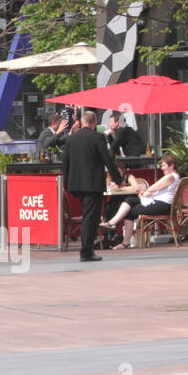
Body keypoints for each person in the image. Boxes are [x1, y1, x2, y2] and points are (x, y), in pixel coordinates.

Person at [62, 111, 124, 262]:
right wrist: (117, 178)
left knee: (87, 214)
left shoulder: (71, 139)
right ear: (94, 123)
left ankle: (87, 249)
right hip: (93, 183)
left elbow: (65, 162)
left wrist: (68, 182)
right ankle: (86, 251)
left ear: (82, 122)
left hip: (76, 184)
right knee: (91, 216)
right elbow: (107, 159)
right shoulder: (98, 137)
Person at [101, 153, 182, 249]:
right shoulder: (173, 177)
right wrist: (147, 193)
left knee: (130, 211)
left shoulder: (171, 176)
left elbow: (153, 187)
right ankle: (113, 224)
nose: (161, 168)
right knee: (130, 200)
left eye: (163, 165)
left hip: (164, 205)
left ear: (171, 165)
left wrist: (145, 192)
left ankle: (123, 239)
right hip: (160, 202)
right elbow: (158, 190)